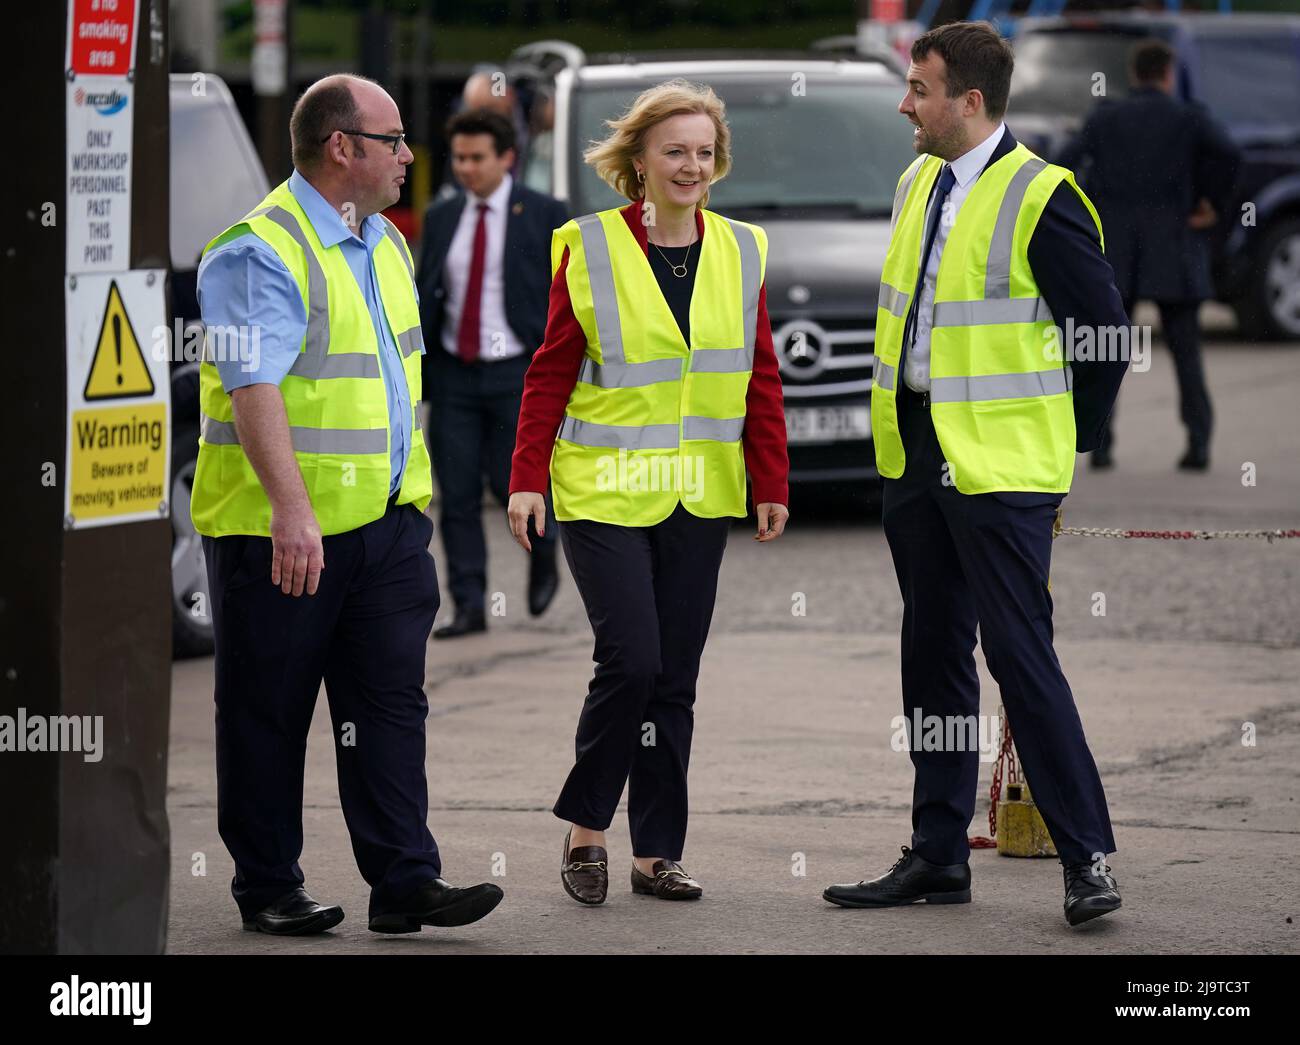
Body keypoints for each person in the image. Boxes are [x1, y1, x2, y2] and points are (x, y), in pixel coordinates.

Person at [820, 22, 1130, 927]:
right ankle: (937, 853)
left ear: (970, 102)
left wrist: (1066, 440)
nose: (904, 103)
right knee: (933, 657)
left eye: (918, 88)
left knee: (1020, 658)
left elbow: (1104, 334)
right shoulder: (920, 179)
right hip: (917, 451)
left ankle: (1087, 860)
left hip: (1000, 467)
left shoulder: (1043, 196)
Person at [191, 74, 502, 936]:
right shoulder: (256, 250)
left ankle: (405, 878)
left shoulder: (385, 244)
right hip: (283, 533)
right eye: (394, 138)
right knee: (268, 712)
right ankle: (268, 885)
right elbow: (253, 388)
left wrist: (410, 515)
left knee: (390, 708)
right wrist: (293, 510)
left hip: (387, 529)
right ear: (343, 148)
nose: (409, 155)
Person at [506, 79, 789, 906]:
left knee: (675, 679)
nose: (692, 165)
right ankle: (587, 827)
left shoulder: (742, 248)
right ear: (638, 161)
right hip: (604, 485)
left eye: (704, 152)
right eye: (675, 151)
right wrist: (527, 478)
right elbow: (551, 368)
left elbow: (758, 372)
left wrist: (769, 477)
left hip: (700, 492)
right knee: (631, 658)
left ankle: (655, 851)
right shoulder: (586, 246)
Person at [417, 109, 567, 638]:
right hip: (456, 373)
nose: (466, 168)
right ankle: (470, 604)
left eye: (477, 158)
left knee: (515, 482)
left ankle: (545, 553)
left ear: (506, 158)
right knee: (455, 495)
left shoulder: (546, 213)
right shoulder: (442, 217)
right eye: (458, 157)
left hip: (517, 375)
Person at [1061, 39, 1241, 471]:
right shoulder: (1188, 117)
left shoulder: (1105, 119)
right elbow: (1230, 154)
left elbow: (1064, 164)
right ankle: (1197, 446)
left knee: (1105, 349)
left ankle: (1100, 446)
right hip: (1174, 248)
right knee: (1186, 354)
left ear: (1134, 73)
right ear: (1167, 73)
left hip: (1114, 253)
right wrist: (1210, 203)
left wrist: (1088, 215)